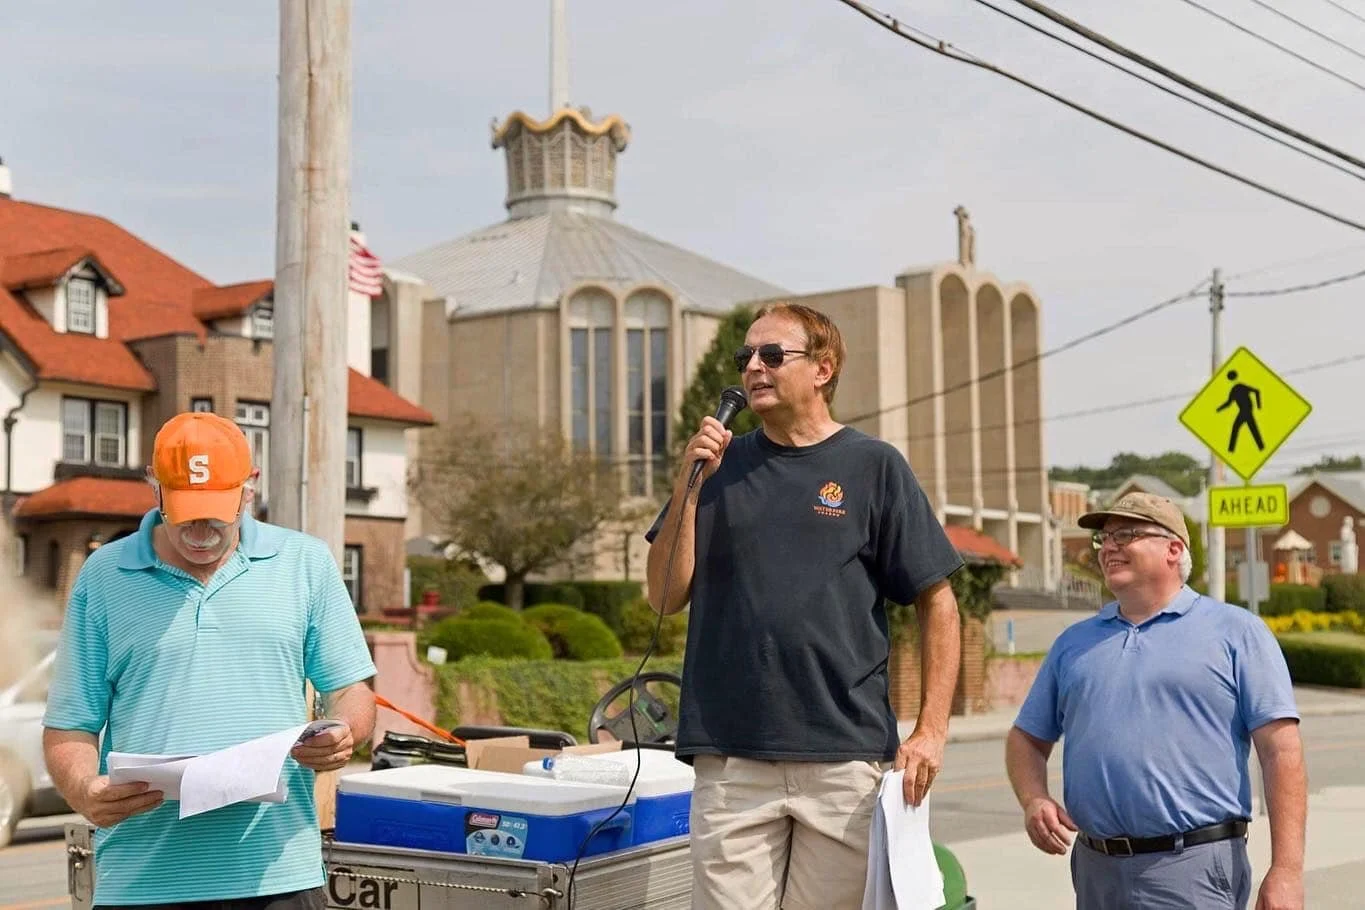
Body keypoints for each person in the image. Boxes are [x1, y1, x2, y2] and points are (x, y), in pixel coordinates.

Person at [646, 301, 965, 909]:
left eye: (772, 355)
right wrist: (686, 487)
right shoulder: (719, 467)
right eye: (746, 358)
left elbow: (938, 602)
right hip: (731, 756)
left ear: (823, 367)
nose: (754, 368)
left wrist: (931, 730)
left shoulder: (873, 466)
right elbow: (663, 595)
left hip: (843, 759)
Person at [42, 411, 377, 910]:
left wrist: (345, 731)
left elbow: (353, 691)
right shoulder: (103, 576)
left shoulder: (306, 563)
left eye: (217, 513)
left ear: (249, 489)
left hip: (278, 876)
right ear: (154, 489)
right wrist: (85, 789)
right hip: (141, 882)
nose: (200, 532)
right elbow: (70, 726)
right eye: (186, 513)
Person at [1006, 492, 1305, 910]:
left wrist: (1287, 870)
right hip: (1096, 870)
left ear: (1174, 549)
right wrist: (1033, 798)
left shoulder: (1236, 633)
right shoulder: (1073, 644)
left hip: (1193, 867)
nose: (1109, 546)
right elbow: (1026, 738)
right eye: (1104, 539)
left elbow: (1281, 753)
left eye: (1126, 534)